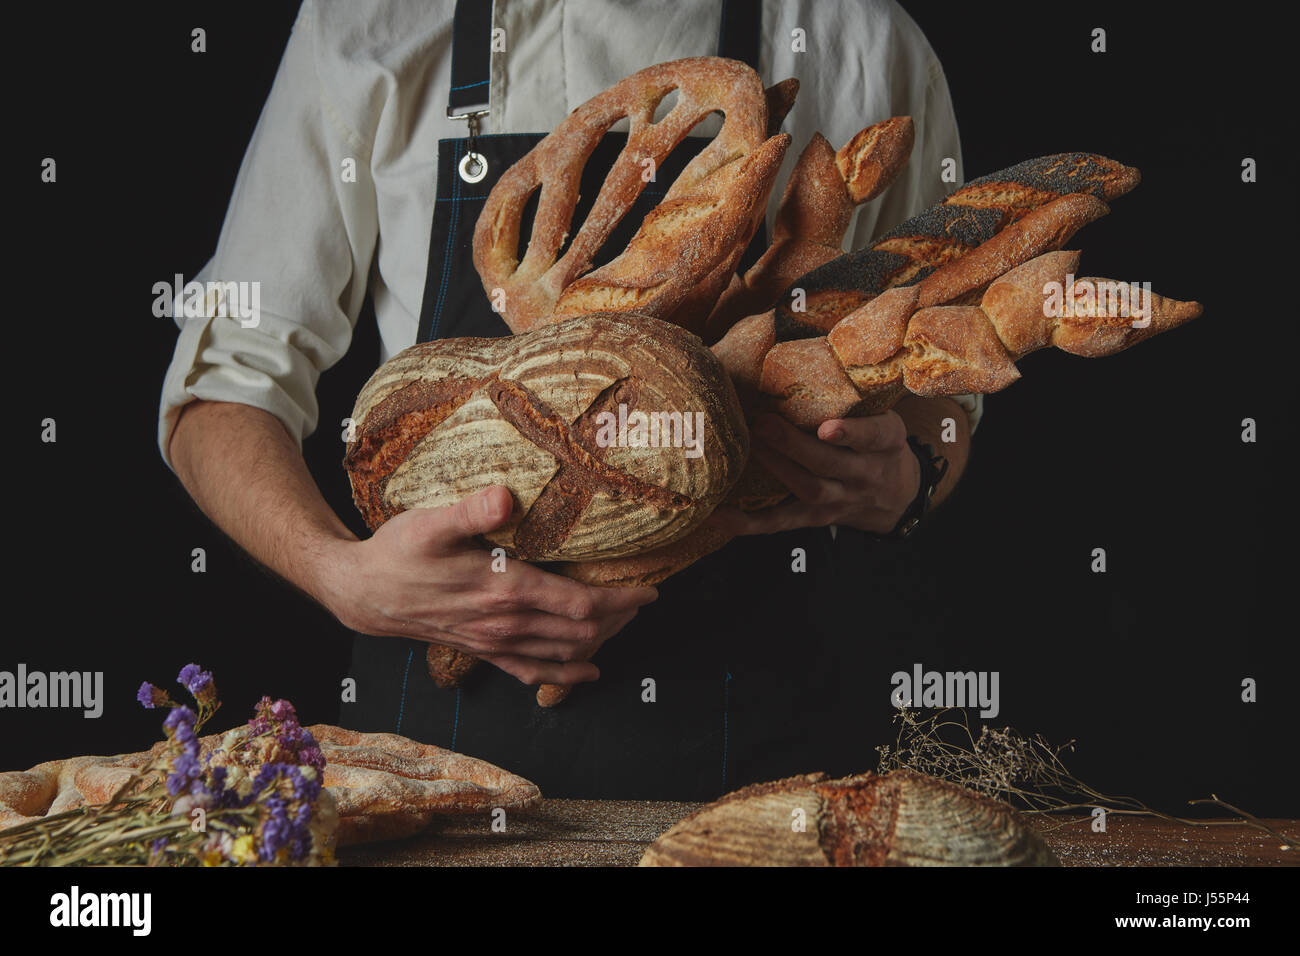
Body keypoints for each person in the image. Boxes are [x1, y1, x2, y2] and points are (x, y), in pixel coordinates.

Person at [159, 0, 978, 800]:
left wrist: (909, 480)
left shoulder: (863, 36)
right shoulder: (367, 24)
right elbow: (221, 386)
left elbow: (946, 390)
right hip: (433, 771)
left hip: (762, 770)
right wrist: (340, 576)